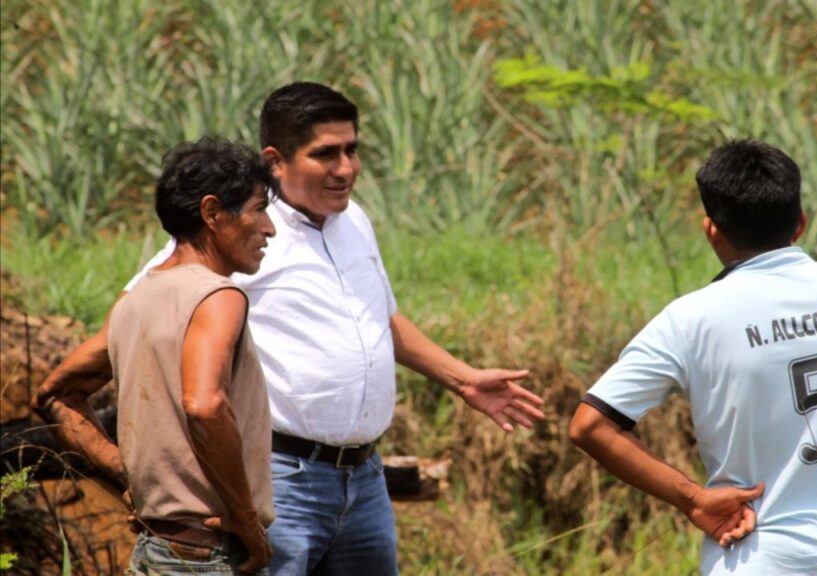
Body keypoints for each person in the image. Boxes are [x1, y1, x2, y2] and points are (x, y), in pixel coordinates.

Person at [123, 82, 546, 575]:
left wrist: (463, 379)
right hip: (282, 479)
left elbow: (380, 319)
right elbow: (144, 306)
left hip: (365, 480)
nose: (345, 169)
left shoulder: (355, 221)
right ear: (275, 160)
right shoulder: (242, 233)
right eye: (325, 154)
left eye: (352, 150)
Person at [569, 139, 817, 575]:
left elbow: (590, 425)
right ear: (800, 223)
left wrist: (693, 499)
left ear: (711, 230)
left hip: (758, 559)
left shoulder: (691, 319)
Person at [33, 137, 279, 574]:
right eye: (259, 209)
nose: (269, 228)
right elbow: (204, 406)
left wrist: (128, 471)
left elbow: (57, 394)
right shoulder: (219, 296)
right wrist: (245, 522)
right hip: (206, 555)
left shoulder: (137, 297)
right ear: (212, 212)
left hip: (157, 549)